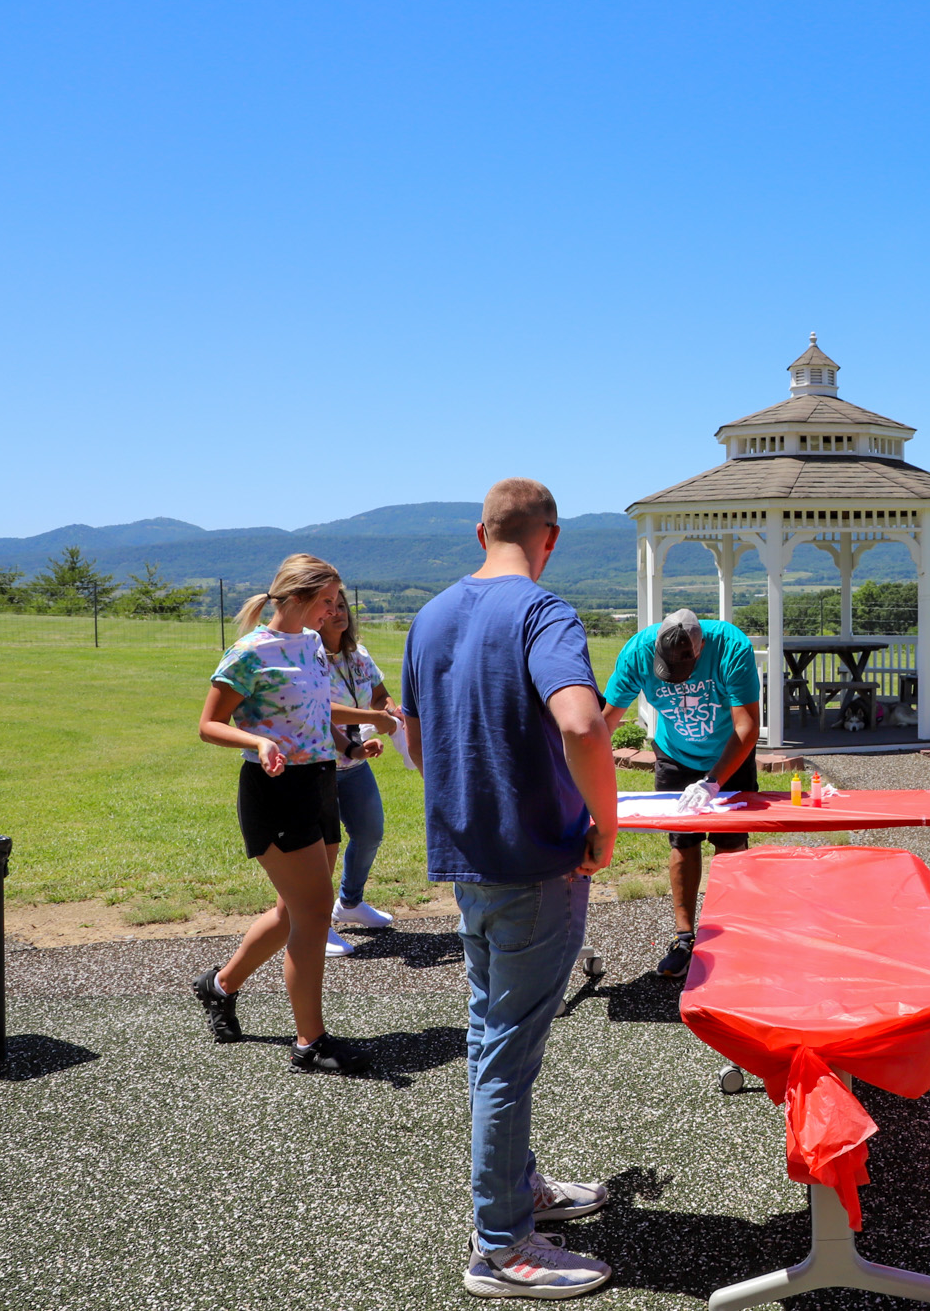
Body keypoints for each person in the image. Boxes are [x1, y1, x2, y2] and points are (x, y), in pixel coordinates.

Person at [400, 478, 618, 1300]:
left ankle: (517, 1189)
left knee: (490, 1039)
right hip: (537, 864)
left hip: (470, 862)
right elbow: (582, 722)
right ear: (549, 537)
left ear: (479, 531)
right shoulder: (542, 611)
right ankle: (501, 1244)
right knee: (506, 1057)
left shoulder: (429, 616)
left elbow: (417, 742)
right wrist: (606, 824)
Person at [191, 553, 397, 1074]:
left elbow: (318, 711)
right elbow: (209, 725)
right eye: (327, 601)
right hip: (275, 791)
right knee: (314, 912)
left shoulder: (310, 645)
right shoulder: (250, 652)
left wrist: (355, 741)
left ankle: (219, 986)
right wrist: (258, 742)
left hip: (320, 783)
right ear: (301, 597)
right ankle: (310, 1042)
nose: (333, 612)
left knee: (294, 912)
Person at [601, 607, 763, 978]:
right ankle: (684, 938)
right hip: (675, 755)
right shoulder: (637, 651)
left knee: (731, 844)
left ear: (700, 647)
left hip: (729, 754)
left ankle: (732, 936)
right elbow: (605, 720)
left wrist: (713, 781)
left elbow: (747, 727)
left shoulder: (730, 646)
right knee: (682, 841)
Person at [318, 594, 402, 957]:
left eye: (342, 607)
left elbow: (379, 695)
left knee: (369, 833)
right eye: (329, 607)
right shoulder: (309, 657)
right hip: (316, 766)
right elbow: (319, 709)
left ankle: (349, 903)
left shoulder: (359, 656)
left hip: (354, 763)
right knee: (322, 850)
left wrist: (391, 711)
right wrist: (374, 719)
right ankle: (316, 925)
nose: (337, 613)